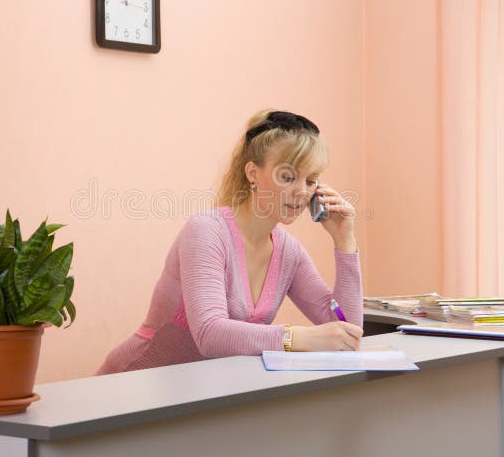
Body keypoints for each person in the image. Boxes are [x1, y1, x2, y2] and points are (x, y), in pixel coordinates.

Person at [94, 109, 364, 375]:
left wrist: (344, 241)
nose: (301, 191)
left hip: (199, 395)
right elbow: (210, 333)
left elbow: (346, 331)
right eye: (287, 177)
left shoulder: (289, 252)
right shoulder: (206, 232)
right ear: (252, 173)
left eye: (311, 180)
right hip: (135, 386)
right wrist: (297, 338)